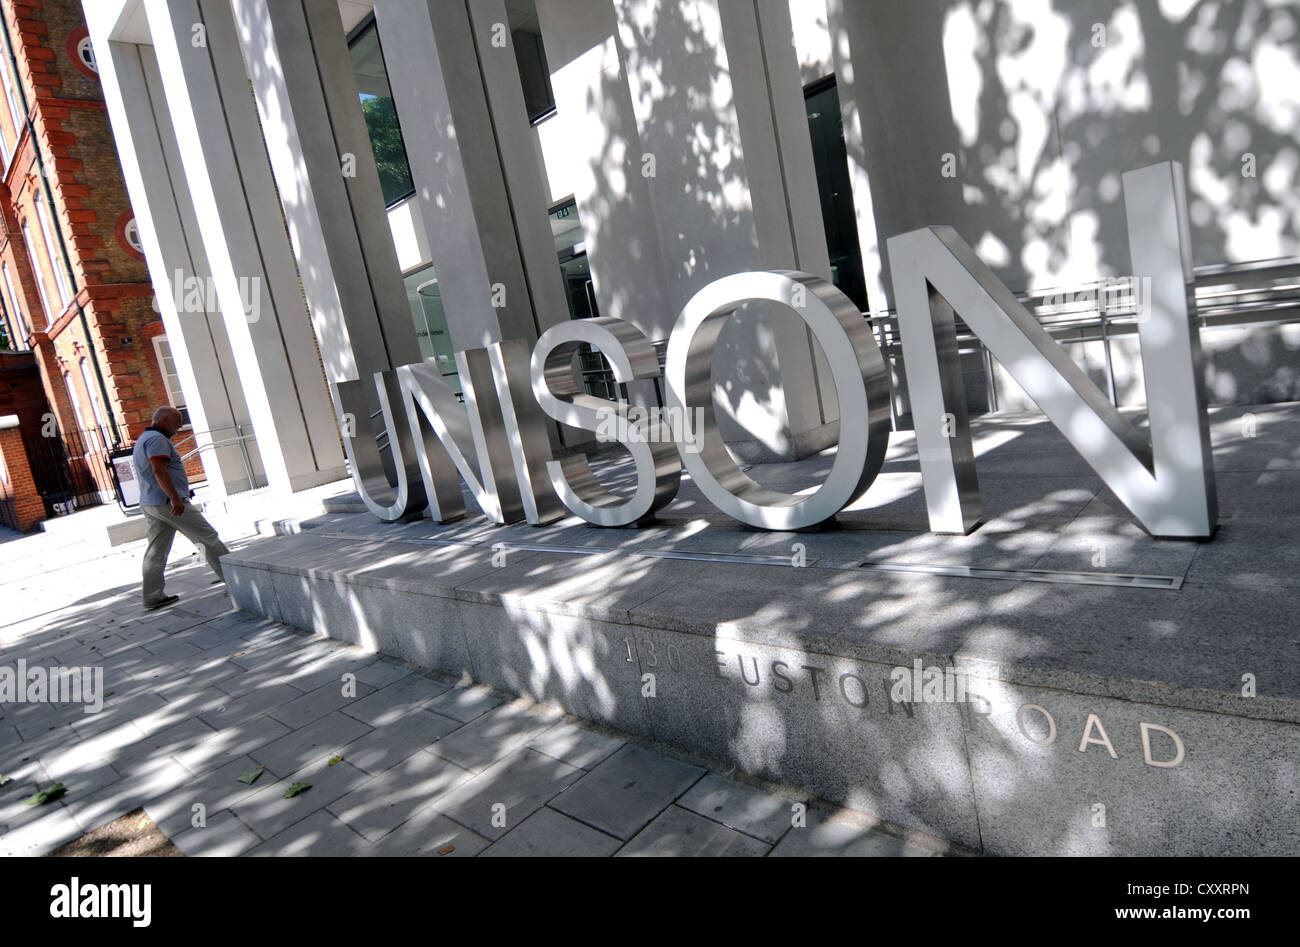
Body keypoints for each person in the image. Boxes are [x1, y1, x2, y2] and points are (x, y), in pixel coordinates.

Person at [132, 406, 230, 609]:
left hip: (152, 503)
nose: (179, 427)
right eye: (177, 422)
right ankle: (237, 578)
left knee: (156, 551)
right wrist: (175, 498)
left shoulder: (143, 439)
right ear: (164, 420)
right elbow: (159, 470)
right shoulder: (157, 440)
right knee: (208, 538)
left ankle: (152, 597)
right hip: (170, 503)